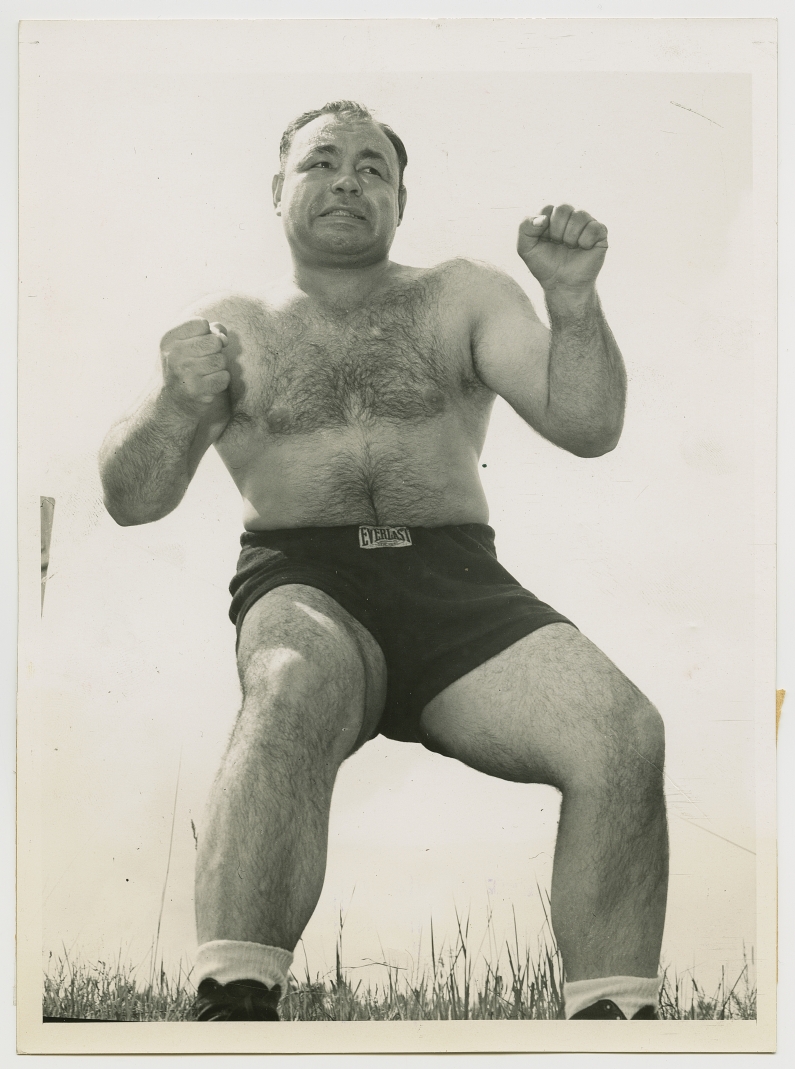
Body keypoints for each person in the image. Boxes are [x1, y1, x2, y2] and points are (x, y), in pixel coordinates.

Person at [99, 100, 668, 1022]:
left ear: (401, 201)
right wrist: (171, 402)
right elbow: (131, 500)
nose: (348, 180)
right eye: (323, 161)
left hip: (457, 586)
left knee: (621, 731)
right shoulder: (229, 326)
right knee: (289, 682)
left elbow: (589, 426)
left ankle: (616, 1023)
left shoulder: (462, 295)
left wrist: (572, 303)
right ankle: (232, 1007)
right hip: (306, 577)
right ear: (276, 187)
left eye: (373, 168)